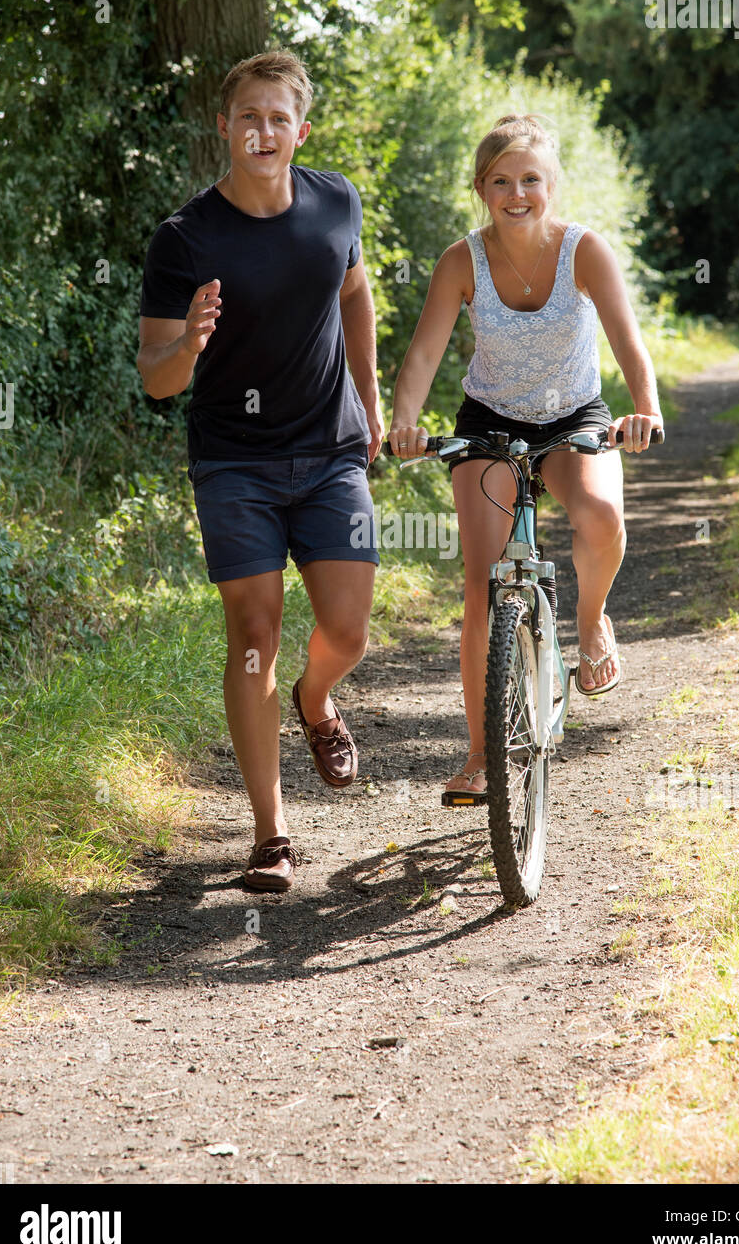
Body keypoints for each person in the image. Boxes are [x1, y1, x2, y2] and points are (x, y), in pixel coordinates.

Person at [137, 49, 383, 890]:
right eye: (249, 117)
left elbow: (355, 293)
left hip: (329, 449)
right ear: (224, 127)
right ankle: (271, 835)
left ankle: (316, 702)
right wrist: (189, 342)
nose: (264, 131)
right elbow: (157, 381)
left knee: (347, 630)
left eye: (279, 118)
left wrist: (371, 399)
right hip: (234, 461)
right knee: (253, 638)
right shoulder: (185, 238)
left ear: (300, 129)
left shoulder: (335, 200)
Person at [388, 113, 662, 798]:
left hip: (573, 416)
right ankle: (481, 757)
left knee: (599, 514)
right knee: (483, 587)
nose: (517, 193)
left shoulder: (583, 251)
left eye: (530, 180)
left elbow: (628, 340)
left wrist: (645, 411)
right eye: (502, 181)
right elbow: (423, 352)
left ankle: (591, 620)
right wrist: (402, 425)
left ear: (551, 185)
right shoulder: (462, 259)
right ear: (481, 187)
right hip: (489, 422)